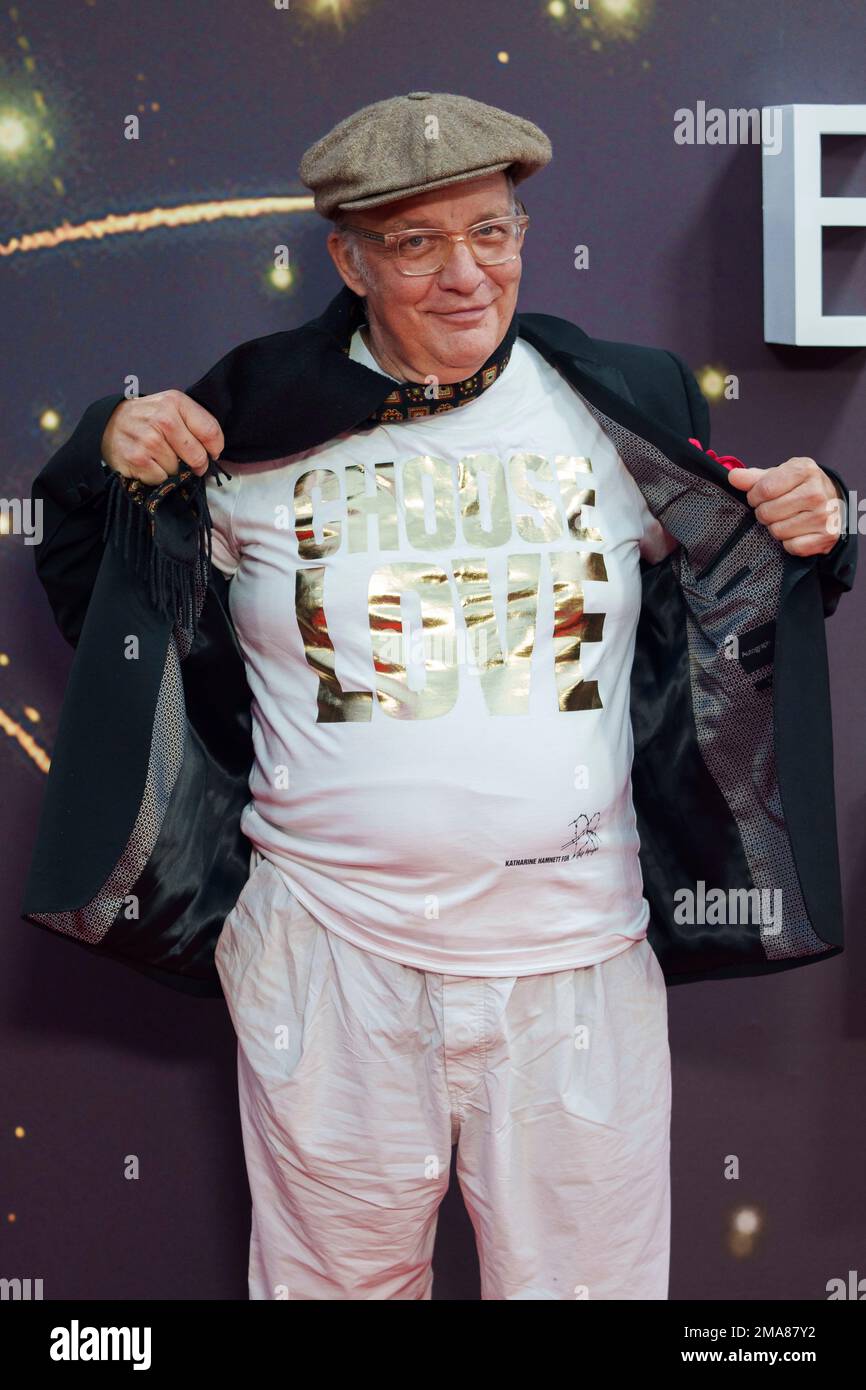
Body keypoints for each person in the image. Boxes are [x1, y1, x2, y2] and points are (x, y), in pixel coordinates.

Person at [23, 92, 856, 1300]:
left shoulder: (623, 400)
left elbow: (747, 600)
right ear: (348, 258)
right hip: (329, 957)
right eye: (417, 244)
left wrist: (814, 524)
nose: (465, 274)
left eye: (493, 232)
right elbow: (103, 598)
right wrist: (106, 448)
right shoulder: (249, 415)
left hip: (576, 961)